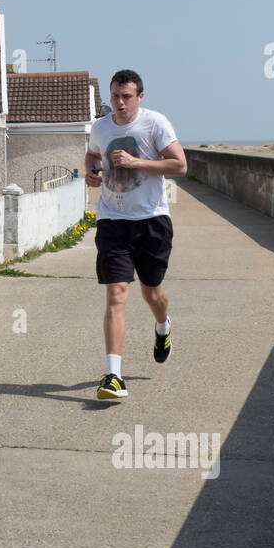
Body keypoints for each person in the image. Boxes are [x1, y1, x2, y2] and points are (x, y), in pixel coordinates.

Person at [83, 69, 187, 399]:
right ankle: (113, 376)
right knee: (116, 294)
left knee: (152, 294)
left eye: (126, 96)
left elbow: (180, 166)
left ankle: (163, 327)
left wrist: (135, 162)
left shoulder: (155, 124)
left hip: (151, 221)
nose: (120, 103)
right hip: (113, 221)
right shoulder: (100, 127)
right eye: (115, 96)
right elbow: (92, 154)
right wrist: (92, 172)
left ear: (140, 97)